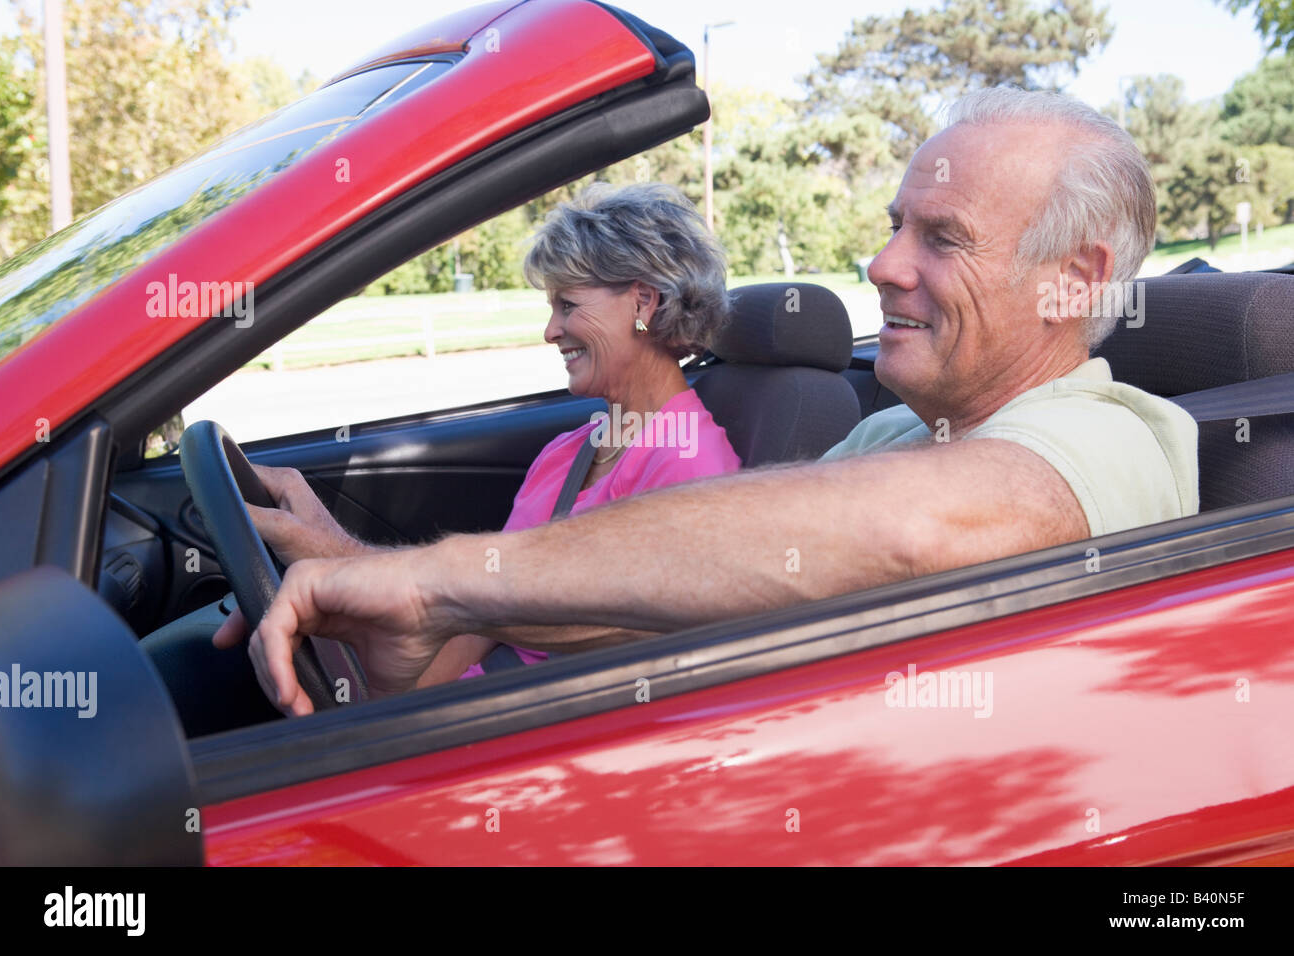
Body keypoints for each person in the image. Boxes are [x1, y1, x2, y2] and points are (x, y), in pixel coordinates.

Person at [215, 87, 1200, 717]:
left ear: (1074, 277)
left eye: (941, 238)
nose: (881, 260)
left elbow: (924, 530)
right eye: (895, 223)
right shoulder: (888, 432)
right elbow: (699, 605)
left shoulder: (1110, 435)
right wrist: (391, 596)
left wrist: (438, 583)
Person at [236, 181, 741, 685]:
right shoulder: (568, 453)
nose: (550, 330)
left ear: (643, 304)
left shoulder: (689, 463)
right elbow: (476, 621)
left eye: (568, 305)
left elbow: (648, 650)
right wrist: (374, 698)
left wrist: (337, 560)